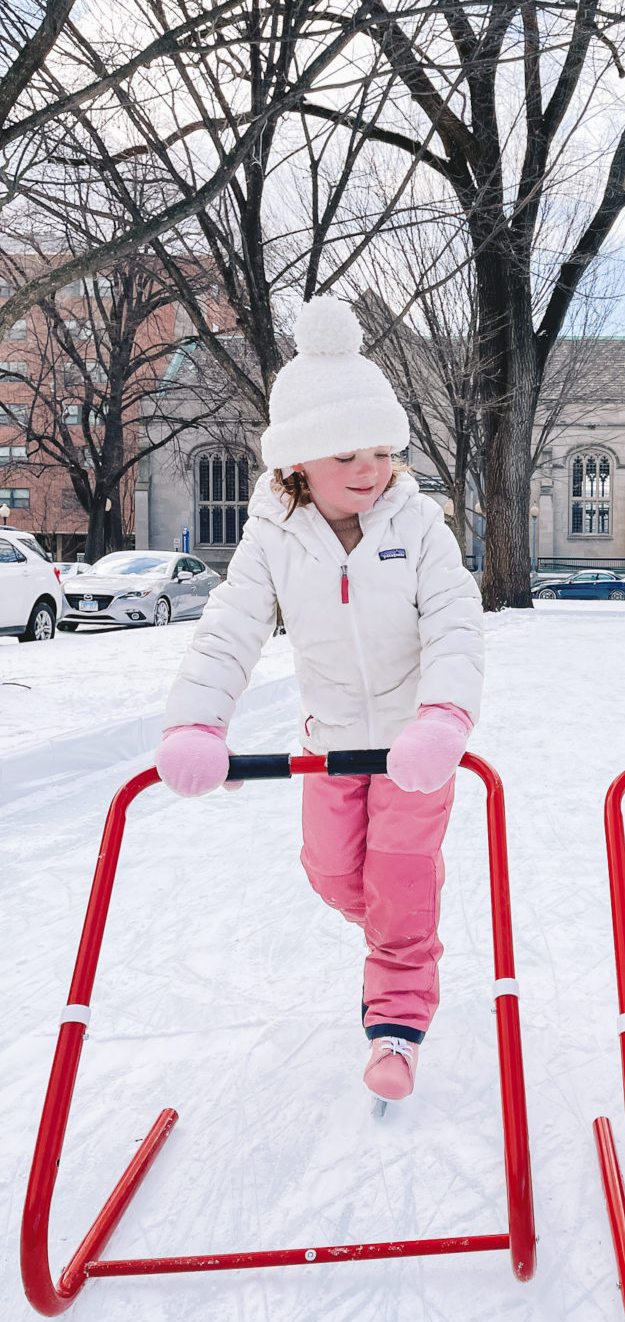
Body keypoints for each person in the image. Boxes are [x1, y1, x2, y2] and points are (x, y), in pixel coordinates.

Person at [155, 297, 483, 1104]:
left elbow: (454, 623)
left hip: (415, 751)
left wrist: (443, 717)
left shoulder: (420, 525)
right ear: (297, 462)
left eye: (380, 449)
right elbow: (229, 629)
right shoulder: (275, 537)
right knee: (340, 878)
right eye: (347, 455)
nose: (370, 469)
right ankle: (386, 936)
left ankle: (397, 1026)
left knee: (400, 884)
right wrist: (198, 722)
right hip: (330, 743)